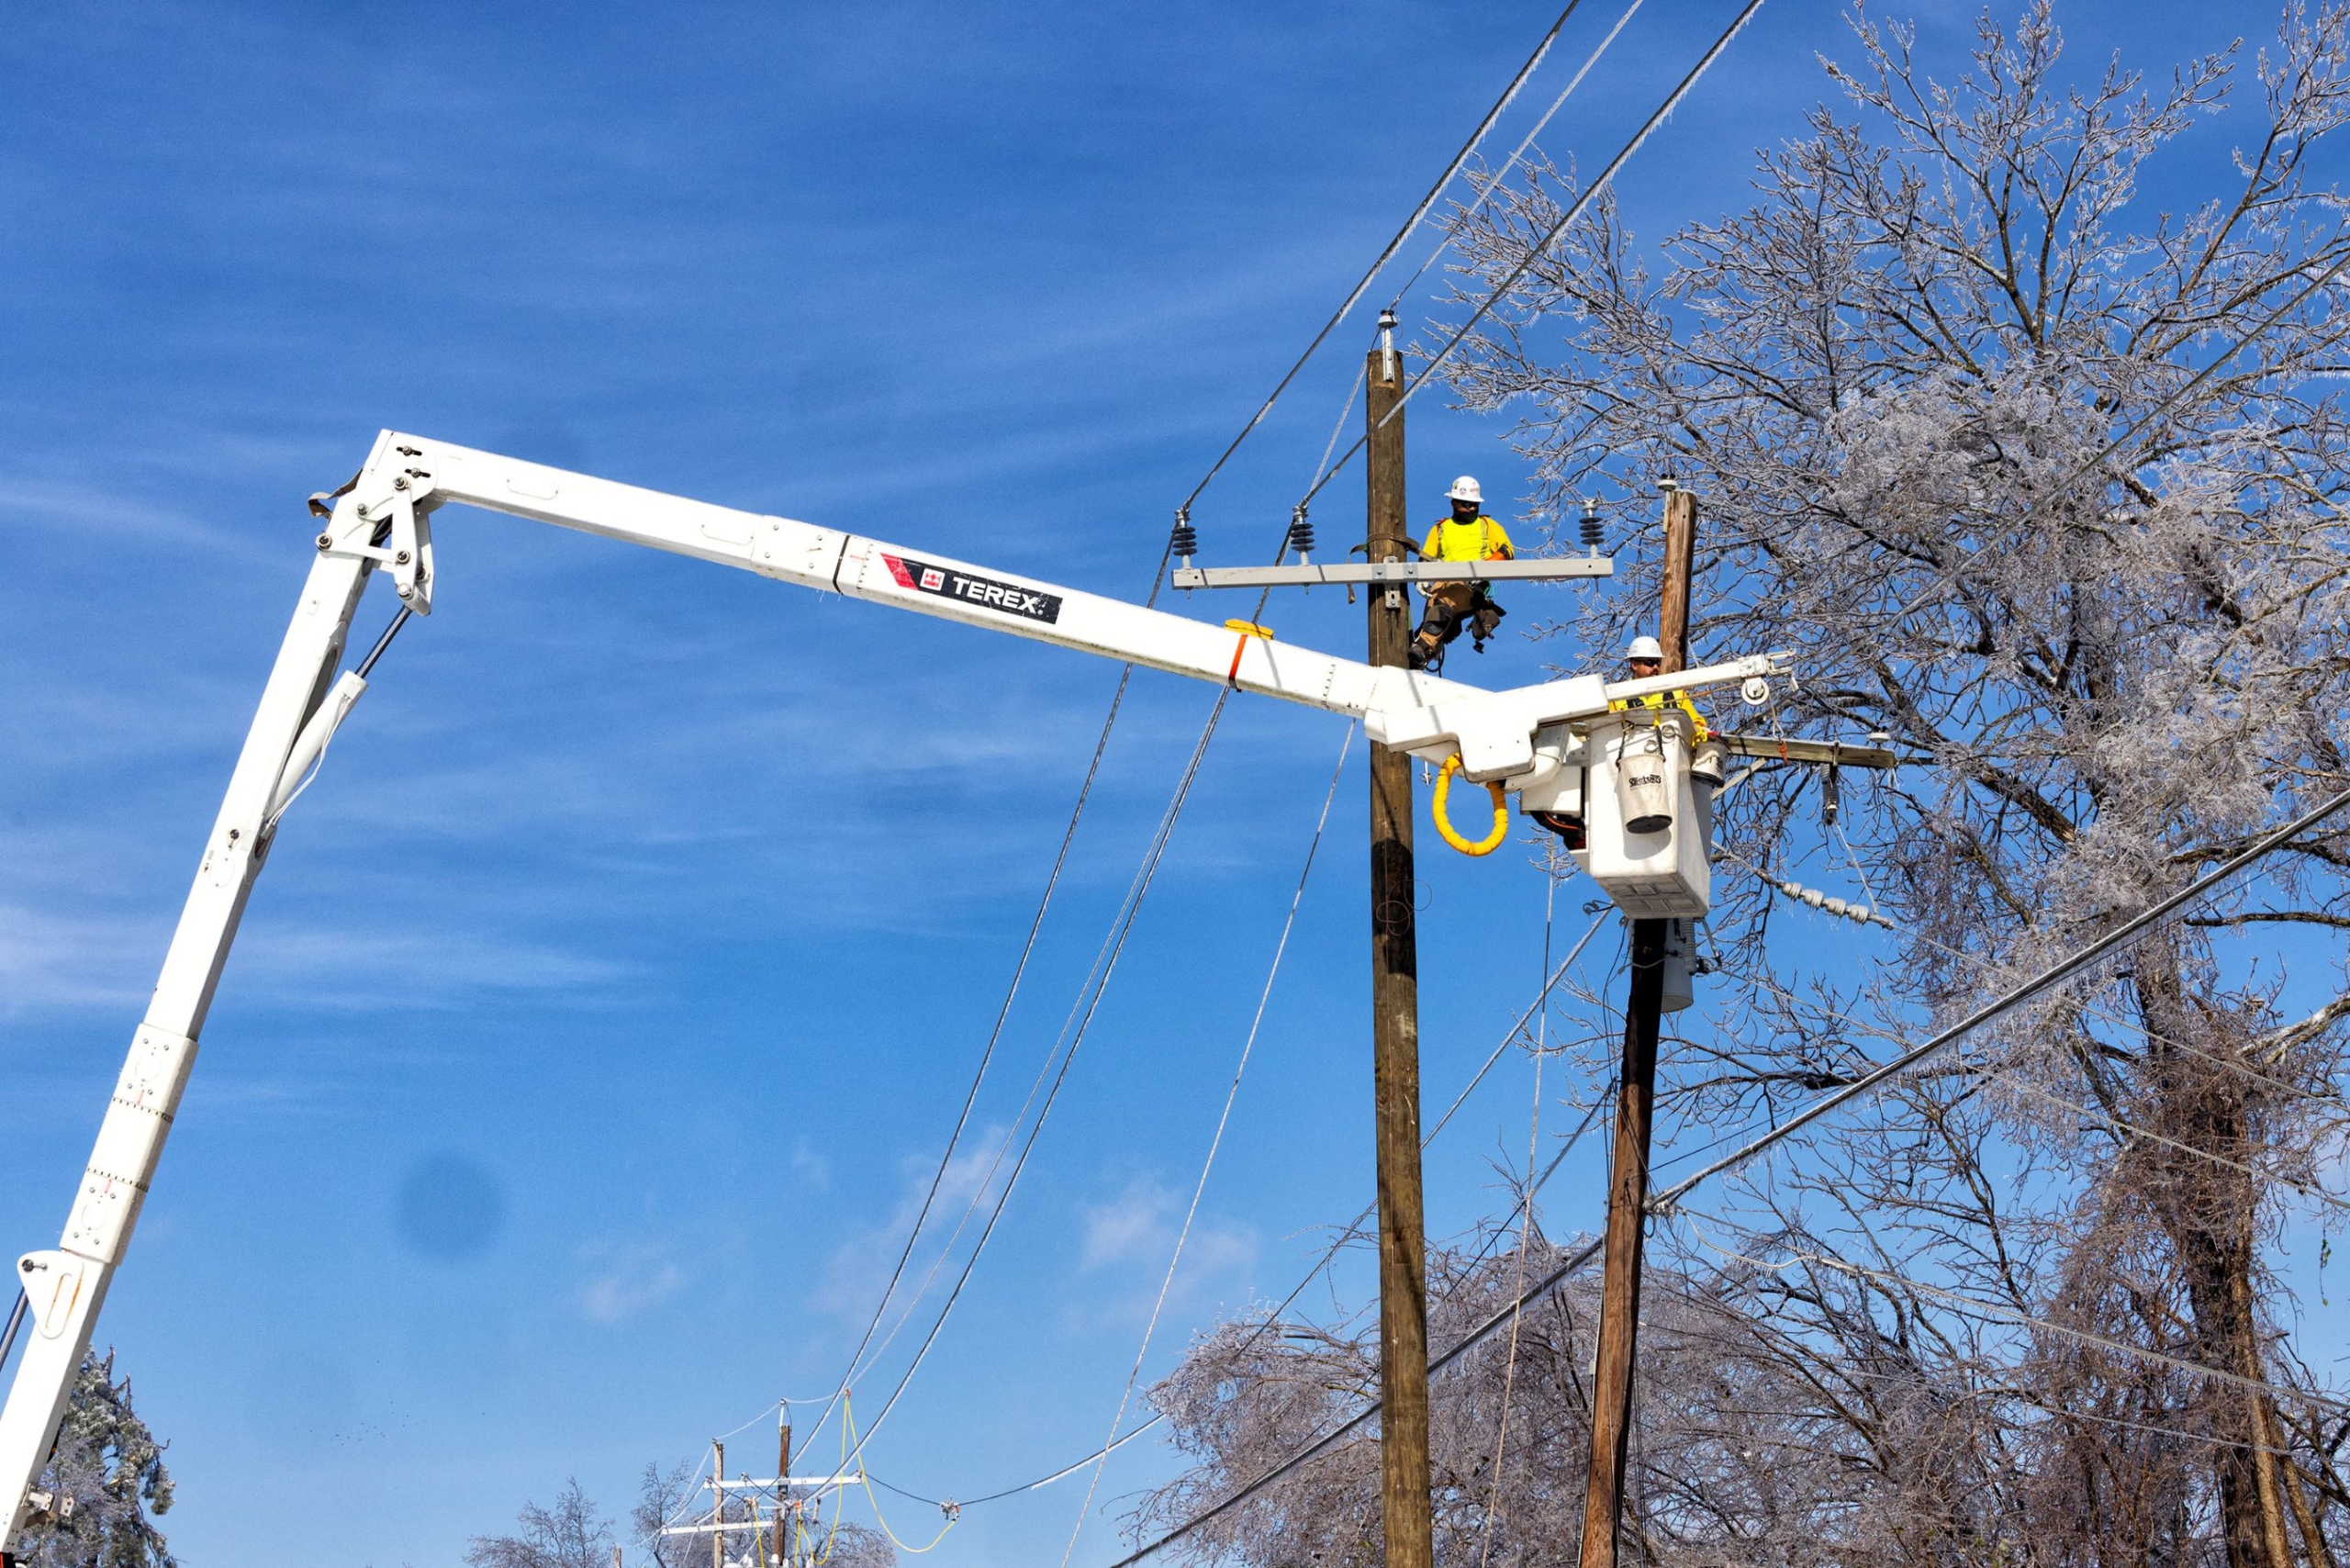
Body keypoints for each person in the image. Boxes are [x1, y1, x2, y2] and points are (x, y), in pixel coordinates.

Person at [1407, 476, 1513, 672]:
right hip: (1443, 584)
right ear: (1454, 502)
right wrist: (1420, 578)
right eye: (1467, 504)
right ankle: (1416, 661)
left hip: (1473, 589)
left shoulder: (1488, 526)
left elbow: (1507, 551)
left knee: (1446, 601)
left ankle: (1422, 646)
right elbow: (1426, 558)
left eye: (1474, 504)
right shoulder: (1441, 529)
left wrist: (1481, 568)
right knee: (1437, 616)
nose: (1472, 508)